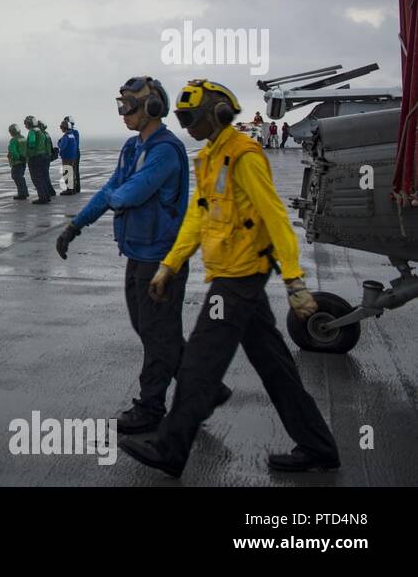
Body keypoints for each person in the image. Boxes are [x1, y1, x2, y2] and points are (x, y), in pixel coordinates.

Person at [120, 79, 340, 478]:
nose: (186, 125)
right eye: (182, 118)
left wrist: (295, 281)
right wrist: (170, 265)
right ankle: (317, 445)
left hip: (238, 278)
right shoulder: (210, 158)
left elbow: (274, 217)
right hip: (234, 275)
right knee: (274, 365)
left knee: (200, 364)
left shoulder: (244, 155)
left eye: (191, 117)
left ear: (217, 114)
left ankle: (171, 448)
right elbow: (197, 218)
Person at [55, 76, 229, 433]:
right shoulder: (133, 147)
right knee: (150, 329)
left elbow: (130, 192)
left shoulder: (166, 150)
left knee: (156, 333)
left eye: (127, 107)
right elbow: (110, 189)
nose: (123, 114)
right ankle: (207, 389)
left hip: (162, 259)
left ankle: (150, 407)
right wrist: (77, 224)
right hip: (138, 253)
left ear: (150, 108)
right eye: (119, 107)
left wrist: (117, 195)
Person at [24, 116, 54, 203]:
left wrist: (28, 153)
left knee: (36, 178)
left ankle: (43, 198)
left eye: (26, 123)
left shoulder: (32, 131)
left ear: (29, 124)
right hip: (43, 156)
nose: (25, 125)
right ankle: (46, 195)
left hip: (35, 157)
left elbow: (32, 143)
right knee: (42, 177)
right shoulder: (40, 131)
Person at [58, 116, 81, 194]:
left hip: (70, 155)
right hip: (73, 154)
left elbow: (63, 145)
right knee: (74, 171)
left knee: (69, 171)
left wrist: (59, 143)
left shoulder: (70, 134)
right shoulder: (72, 133)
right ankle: (74, 188)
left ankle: (70, 189)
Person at [7, 124, 29, 200]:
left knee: (17, 177)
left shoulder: (14, 140)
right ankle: (23, 192)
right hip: (23, 161)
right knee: (20, 177)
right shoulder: (23, 138)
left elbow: (13, 151)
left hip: (17, 162)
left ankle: (22, 193)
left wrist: (17, 157)